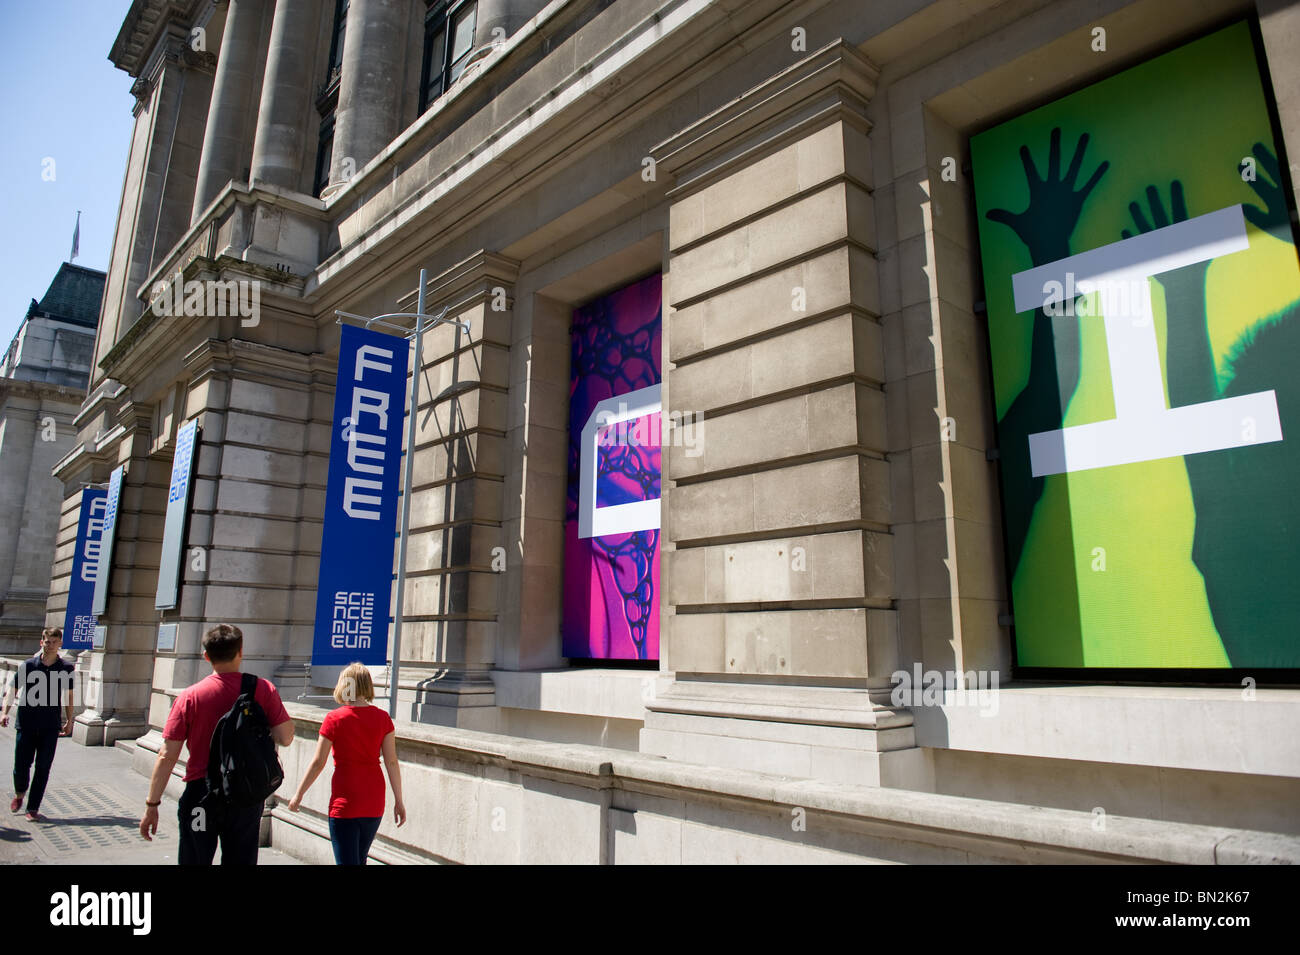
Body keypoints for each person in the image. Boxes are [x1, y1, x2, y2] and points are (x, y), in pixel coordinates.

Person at [138, 623, 294, 864]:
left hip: (202, 796)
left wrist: (152, 804)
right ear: (240, 652)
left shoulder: (189, 697)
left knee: (195, 858)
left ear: (206, 656)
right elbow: (286, 737)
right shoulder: (263, 689)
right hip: (246, 795)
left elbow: (167, 755)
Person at [287, 662, 405, 865]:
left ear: (344, 686)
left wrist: (298, 795)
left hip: (345, 800)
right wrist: (399, 800)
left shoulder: (334, 719)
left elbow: (318, 762)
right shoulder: (383, 718)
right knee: (360, 859)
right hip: (374, 800)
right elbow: (392, 762)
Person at [1, 628, 75, 822]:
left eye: (53, 642)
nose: (49, 645)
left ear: (60, 644)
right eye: (47, 641)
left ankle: (32, 807)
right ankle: (19, 794)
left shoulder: (66, 668)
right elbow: (13, 689)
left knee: (43, 767)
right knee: (21, 765)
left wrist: (69, 720)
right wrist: (4, 712)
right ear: (41, 642)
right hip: (26, 723)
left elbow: (68, 696)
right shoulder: (28, 665)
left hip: (50, 726)